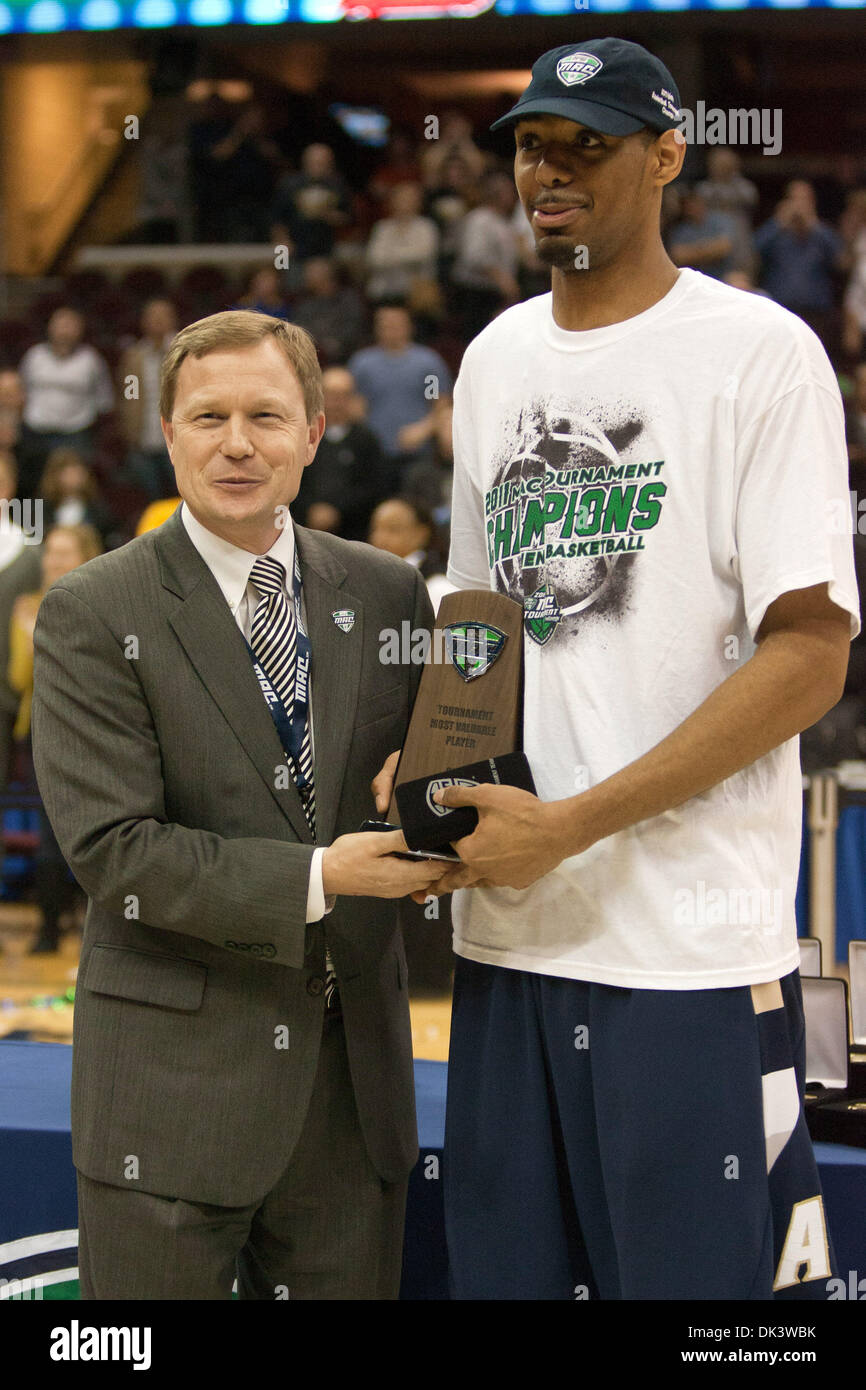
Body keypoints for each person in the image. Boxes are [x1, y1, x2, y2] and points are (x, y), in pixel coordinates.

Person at [375, 37, 860, 1301]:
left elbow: (808, 653)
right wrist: (430, 761)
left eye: (585, 143)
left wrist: (574, 824)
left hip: (680, 956)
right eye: (532, 144)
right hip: (507, 940)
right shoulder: (491, 362)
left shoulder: (758, 353)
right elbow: (481, 618)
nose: (548, 170)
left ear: (665, 155)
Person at [30, 310, 448, 1299]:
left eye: (266, 415)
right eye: (207, 415)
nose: (236, 442)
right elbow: (116, 852)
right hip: (167, 1105)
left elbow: (436, 781)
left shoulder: (389, 594)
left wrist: (431, 787)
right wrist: (320, 875)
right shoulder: (95, 610)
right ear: (165, 434)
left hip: (353, 1102)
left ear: (311, 434)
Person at [10, 524, 102, 954]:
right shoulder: (26, 605)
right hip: (40, 731)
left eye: (65, 553)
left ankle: (94, 925)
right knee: (49, 832)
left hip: (93, 730)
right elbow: (17, 677)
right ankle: (48, 928)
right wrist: (33, 639)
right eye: (51, 553)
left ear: (85, 556)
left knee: (97, 827)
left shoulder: (101, 603)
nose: (54, 561)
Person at [348, 303, 452, 490]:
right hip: (375, 455)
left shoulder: (427, 364)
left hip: (418, 453)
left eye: (397, 323)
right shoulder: (363, 365)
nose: (391, 329)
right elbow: (356, 405)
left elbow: (440, 404)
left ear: (409, 326)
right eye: (385, 324)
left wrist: (422, 429)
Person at [18, 308, 113, 500]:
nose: (64, 330)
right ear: (50, 327)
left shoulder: (91, 360)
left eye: (70, 325)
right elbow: (19, 392)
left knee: (72, 488)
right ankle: (34, 528)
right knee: (32, 487)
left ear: (80, 330)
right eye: (60, 324)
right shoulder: (34, 356)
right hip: (36, 433)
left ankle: (72, 527)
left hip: (75, 434)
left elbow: (105, 399)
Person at [293, 366, 390, 541]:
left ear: (354, 399)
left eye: (343, 395)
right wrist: (310, 509)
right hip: (303, 530)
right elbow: (290, 477)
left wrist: (337, 510)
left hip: (355, 535)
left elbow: (375, 487)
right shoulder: (303, 437)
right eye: (331, 395)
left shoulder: (366, 440)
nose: (336, 402)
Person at [754, 181, 845, 349]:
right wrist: (778, 222)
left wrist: (813, 224)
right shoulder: (776, 232)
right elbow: (754, 250)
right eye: (794, 199)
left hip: (816, 313)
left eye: (804, 200)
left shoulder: (821, 233)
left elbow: (840, 261)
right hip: (780, 310)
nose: (799, 206)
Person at [118, 298, 178, 502]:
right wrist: (130, 429)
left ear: (173, 320)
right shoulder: (134, 357)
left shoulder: (185, 352)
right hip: (143, 439)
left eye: (163, 316)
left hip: (178, 438)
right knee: (149, 499)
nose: (158, 321)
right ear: (144, 322)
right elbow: (129, 395)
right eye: (153, 317)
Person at [450, 169, 521, 339]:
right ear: (496, 194)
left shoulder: (504, 221)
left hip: (495, 294)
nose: (513, 196)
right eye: (509, 192)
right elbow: (475, 256)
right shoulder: (480, 219)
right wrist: (501, 278)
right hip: (476, 294)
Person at [368, 496, 453, 614]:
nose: (380, 538)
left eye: (392, 529)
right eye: (375, 529)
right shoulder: (368, 580)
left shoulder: (438, 587)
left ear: (421, 534)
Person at [669, 186, 737, 281]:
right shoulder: (682, 229)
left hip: (723, 276)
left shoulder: (720, 220)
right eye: (688, 204)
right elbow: (678, 256)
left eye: (694, 202)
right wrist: (710, 249)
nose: (692, 206)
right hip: (694, 280)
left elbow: (724, 247)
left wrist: (693, 252)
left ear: (702, 202)